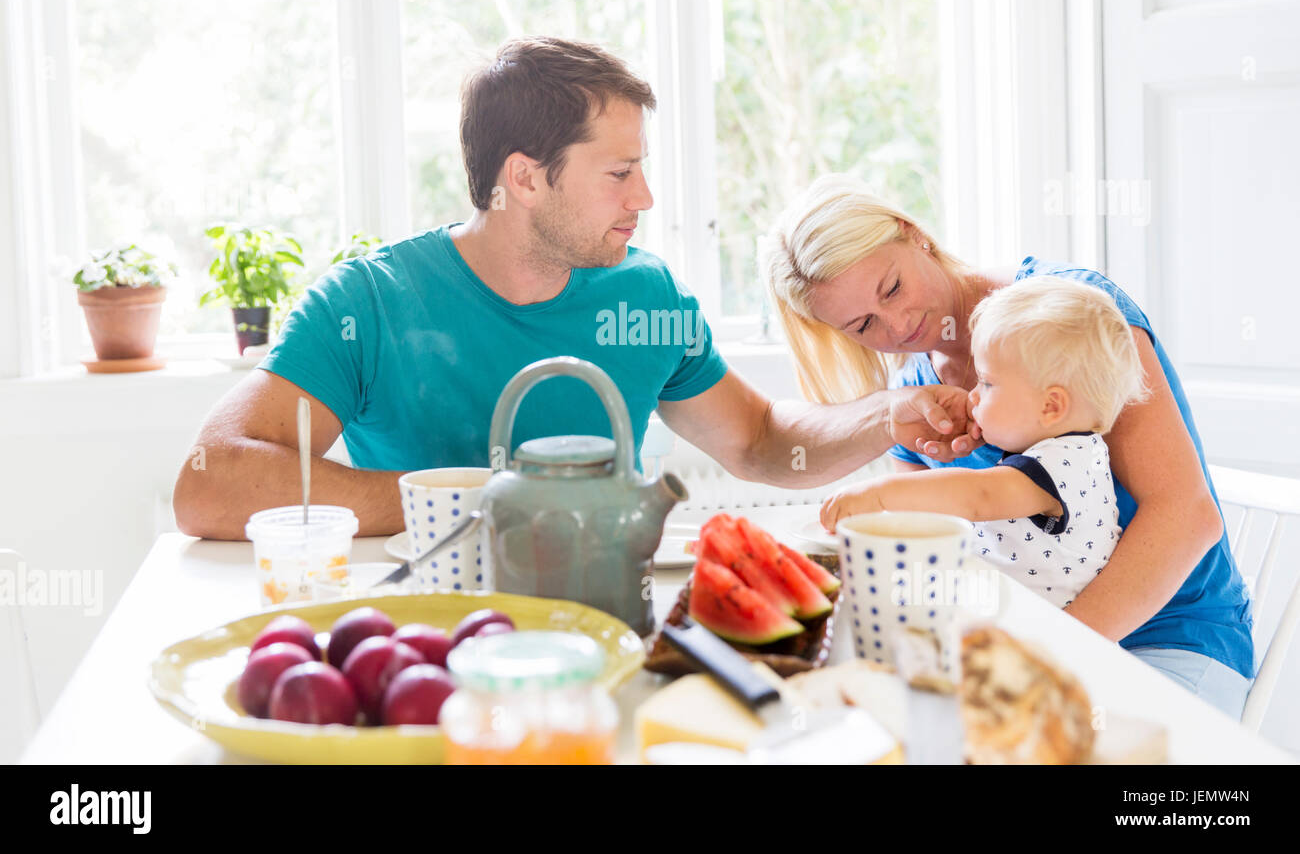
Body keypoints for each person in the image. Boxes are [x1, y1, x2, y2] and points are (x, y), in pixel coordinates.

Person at [172, 38, 981, 544]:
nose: (645, 200)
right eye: (620, 174)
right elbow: (211, 483)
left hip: (603, 621)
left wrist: (885, 416)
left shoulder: (646, 297)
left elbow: (763, 442)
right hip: (429, 634)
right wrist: (483, 501)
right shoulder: (370, 303)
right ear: (526, 178)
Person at [762, 173, 1255, 718]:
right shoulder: (914, 399)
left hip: (1172, 639)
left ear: (913, 234)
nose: (898, 326)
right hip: (1022, 648)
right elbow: (932, 556)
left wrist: (1045, 659)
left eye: (894, 288)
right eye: (863, 324)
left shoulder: (1070, 314)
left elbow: (1187, 517)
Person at [820, 275, 1149, 609]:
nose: (973, 395)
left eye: (988, 383)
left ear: (1051, 406)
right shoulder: (1078, 453)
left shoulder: (1057, 466)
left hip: (1042, 639)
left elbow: (977, 496)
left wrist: (878, 494)